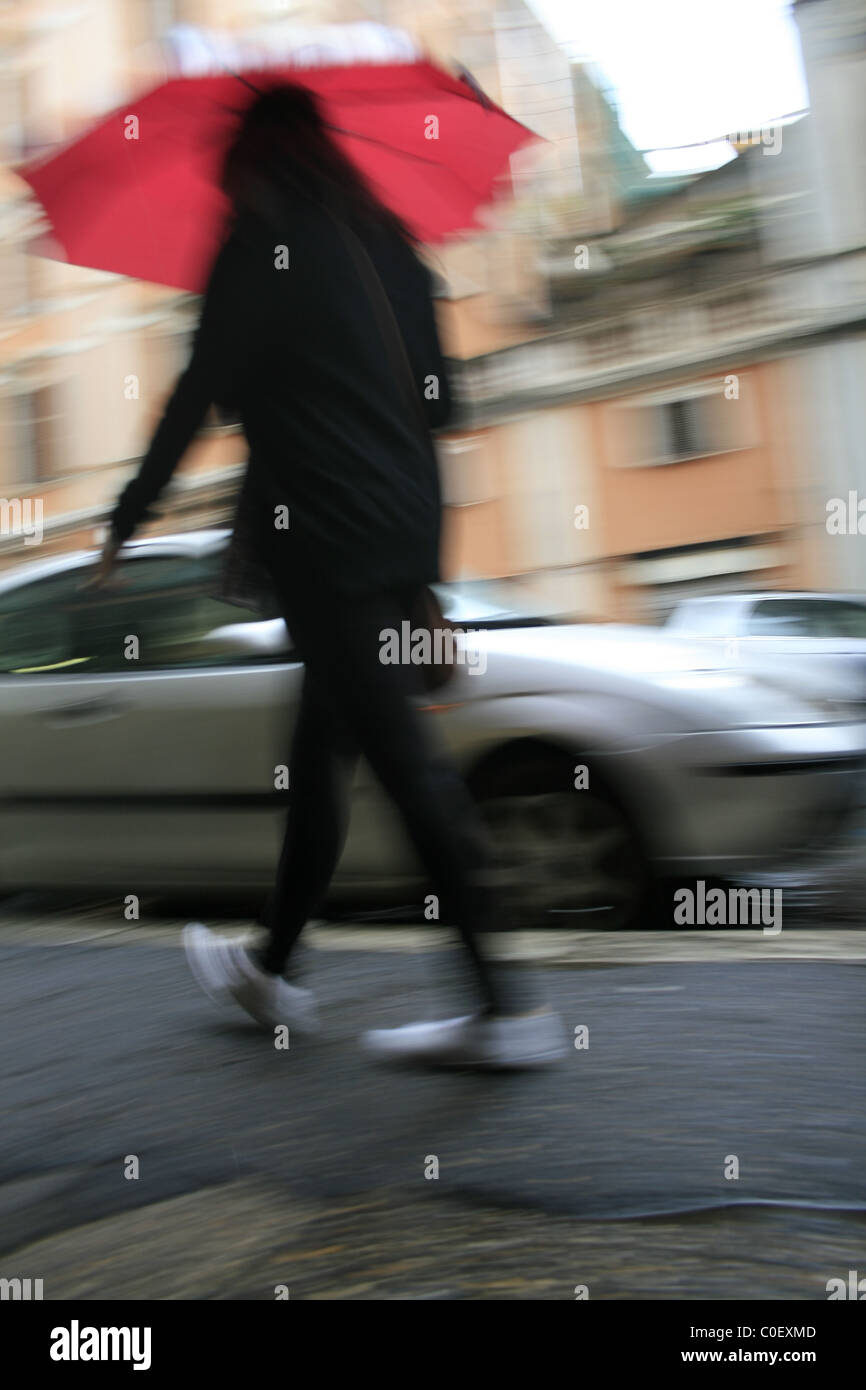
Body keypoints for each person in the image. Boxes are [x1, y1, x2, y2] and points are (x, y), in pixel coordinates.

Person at [101, 82, 564, 1068]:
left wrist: (128, 517)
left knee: (402, 762)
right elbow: (441, 405)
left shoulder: (256, 243)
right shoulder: (390, 243)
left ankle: (503, 1007)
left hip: (321, 537)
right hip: (404, 530)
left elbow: (195, 397)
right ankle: (274, 968)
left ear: (253, 156)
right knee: (324, 751)